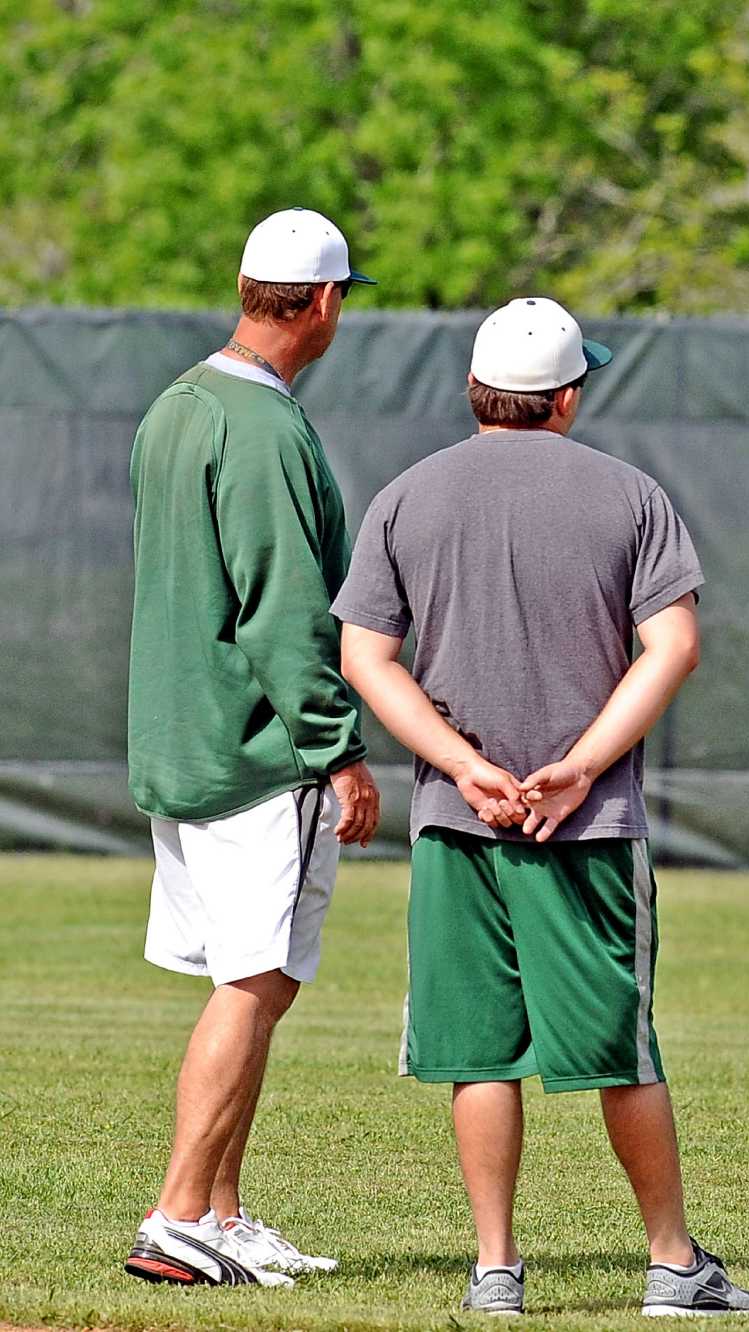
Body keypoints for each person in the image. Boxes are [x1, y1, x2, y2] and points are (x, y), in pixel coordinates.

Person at [333, 297, 749, 1317]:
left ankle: (496, 1270)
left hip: (457, 817)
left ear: (476, 389)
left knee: (479, 1054)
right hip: (589, 826)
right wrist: (575, 768)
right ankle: (670, 1264)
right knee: (619, 1049)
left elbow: (364, 657)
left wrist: (459, 764)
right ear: (565, 396)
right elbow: (675, 646)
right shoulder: (628, 495)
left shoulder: (407, 495)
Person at [124, 208, 382, 1287]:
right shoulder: (266, 426)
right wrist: (338, 748)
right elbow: (283, 611)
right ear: (321, 303)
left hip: (182, 743)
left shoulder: (178, 403)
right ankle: (179, 1217)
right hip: (255, 752)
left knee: (244, 981)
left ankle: (220, 1214)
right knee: (255, 980)